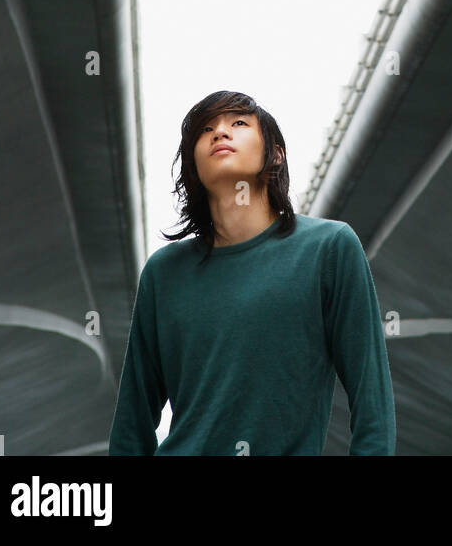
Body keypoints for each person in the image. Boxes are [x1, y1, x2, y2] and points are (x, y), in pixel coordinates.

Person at [108, 89, 396, 456]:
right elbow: (131, 423)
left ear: (275, 154)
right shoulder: (163, 273)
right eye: (206, 128)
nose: (220, 132)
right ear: (193, 165)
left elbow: (372, 400)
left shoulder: (329, 248)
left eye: (239, 123)